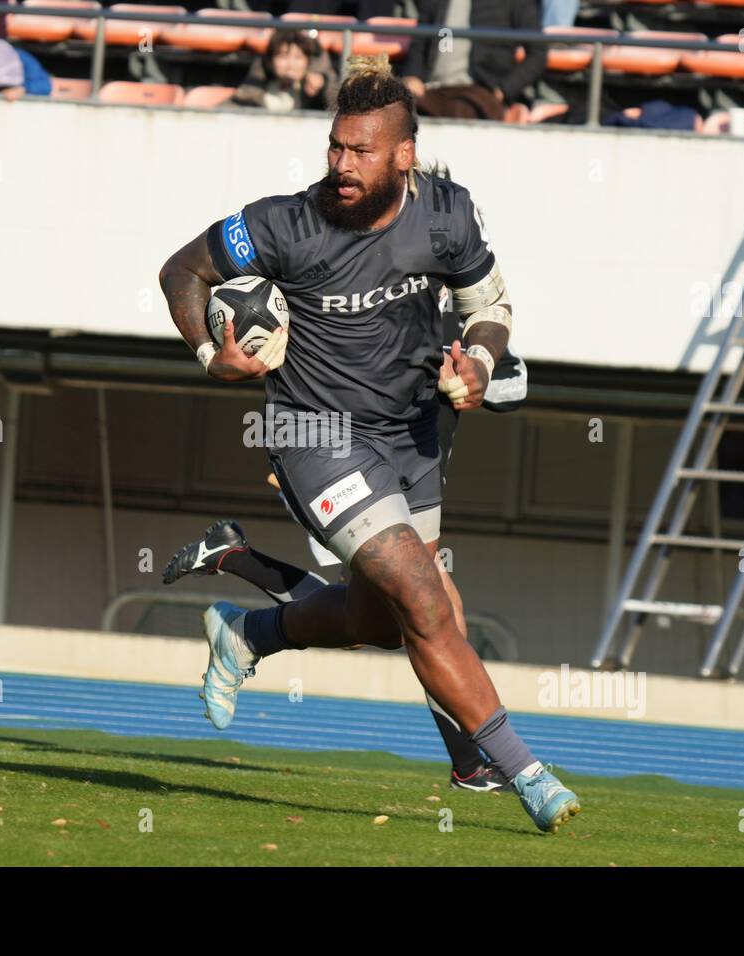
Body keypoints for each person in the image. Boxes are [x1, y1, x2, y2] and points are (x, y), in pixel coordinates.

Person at [159, 56, 580, 833]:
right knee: (428, 597)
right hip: (313, 432)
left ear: (404, 156)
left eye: (360, 151)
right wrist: (208, 352)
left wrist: (478, 364)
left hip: (415, 434)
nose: (341, 164)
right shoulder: (282, 223)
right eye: (335, 147)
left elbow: (490, 307)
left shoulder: (448, 214)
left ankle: (248, 629)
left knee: (391, 619)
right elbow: (181, 270)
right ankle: (523, 768)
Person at [401, 0, 547, 122]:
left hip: (481, 92)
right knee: (397, 108)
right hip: (431, 90)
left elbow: (538, 52)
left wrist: (504, 90)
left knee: (461, 109)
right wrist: (412, 76)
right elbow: (419, 43)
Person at [232, 29, 339, 112]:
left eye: (298, 57)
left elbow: (336, 102)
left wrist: (324, 83)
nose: (290, 64)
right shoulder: (253, 91)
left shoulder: (316, 93)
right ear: (270, 61)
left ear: (308, 62)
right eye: (283, 57)